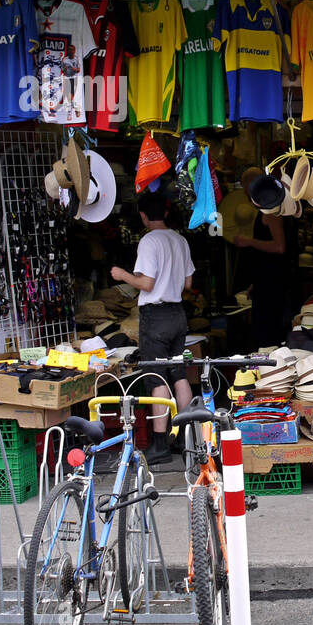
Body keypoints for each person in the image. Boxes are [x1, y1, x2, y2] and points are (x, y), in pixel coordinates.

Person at [111, 192, 194, 466]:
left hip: (156, 316)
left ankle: (160, 444)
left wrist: (123, 275)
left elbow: (146, 284)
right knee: (179, 374)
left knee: (156, 377)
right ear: (166, 213)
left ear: (144, 216)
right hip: (177, 313)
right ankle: (186, 439)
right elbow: (188, 284)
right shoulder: (179, 240)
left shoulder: (149, 241)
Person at [232, 168, 296, 347]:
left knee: (268, 332)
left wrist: (249, 242)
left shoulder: (272, 213)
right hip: (266, 281)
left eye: (246, 190)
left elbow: (279, 246)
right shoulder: (267, 211)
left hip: (274, 283)